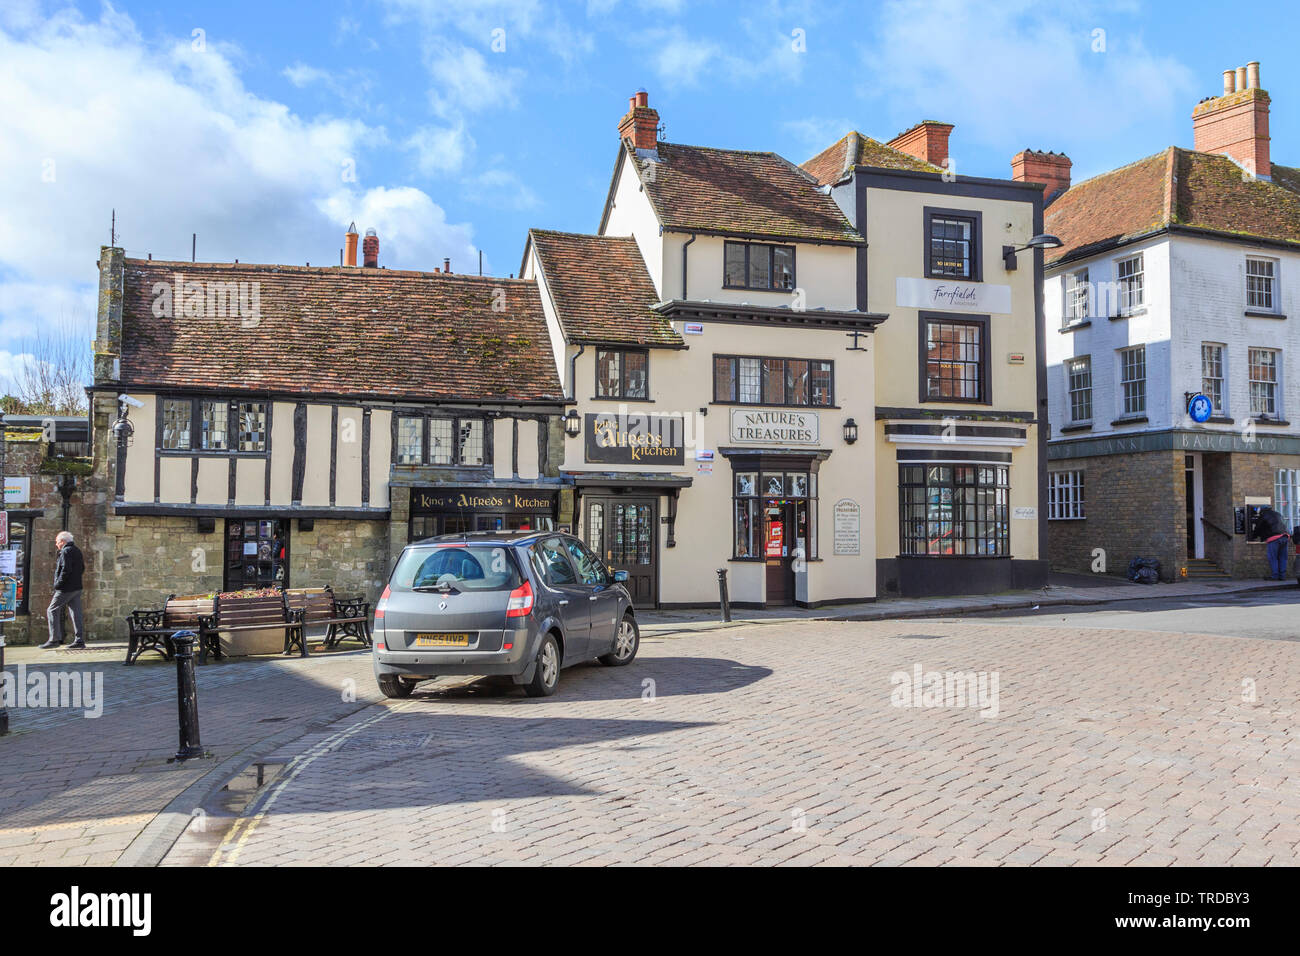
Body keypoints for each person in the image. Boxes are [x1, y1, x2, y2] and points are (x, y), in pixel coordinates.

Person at [40, 531, 86, 649]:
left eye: (57, 542)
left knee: (52, 610)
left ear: (63, 541)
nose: (56, 544)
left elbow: (66, 570)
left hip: (65, 588)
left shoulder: (65, 551)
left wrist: (58, 584)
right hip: (77, 587)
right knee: (76, 613)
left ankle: (54, 639)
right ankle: (79, 640)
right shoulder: (77, 550)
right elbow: (82, 568)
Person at [1256, 506, 1289, 581]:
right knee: (1283, 558)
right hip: (1284, 537)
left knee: (1273, 558)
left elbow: (1258, 527)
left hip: (1274, 538)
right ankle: (1282, 576)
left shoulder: (1263, 516)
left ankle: (1275, 575)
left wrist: (1254, 536)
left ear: (1262, 511)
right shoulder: (1278, 514)